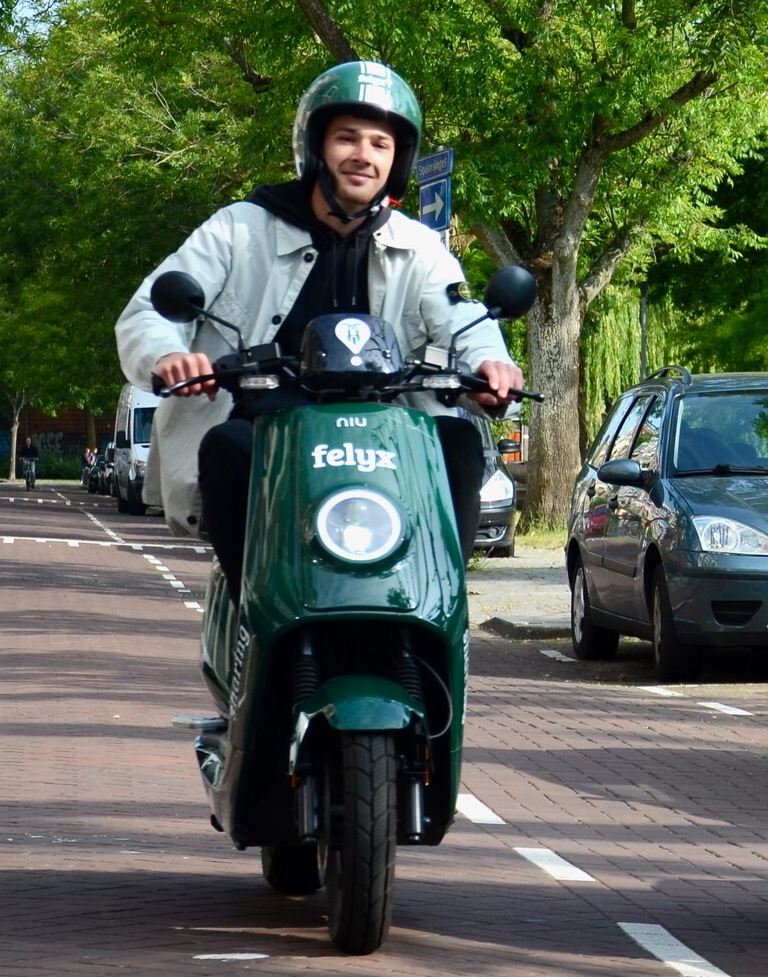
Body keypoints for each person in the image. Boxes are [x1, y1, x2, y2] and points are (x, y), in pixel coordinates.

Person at [114, 61, 524, 585]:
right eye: (346, 138)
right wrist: (168, 355)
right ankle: (257, 607)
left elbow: (461, 318)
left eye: (380, 144)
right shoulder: (240, 228)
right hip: (267, 434)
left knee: (458, 444)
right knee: (226, 447)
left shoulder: (420, 245)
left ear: (398, 161)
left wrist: (492, 365)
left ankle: (439, 598)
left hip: (389, 443)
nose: (363, 155)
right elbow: (150, 307)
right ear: (314, 147)